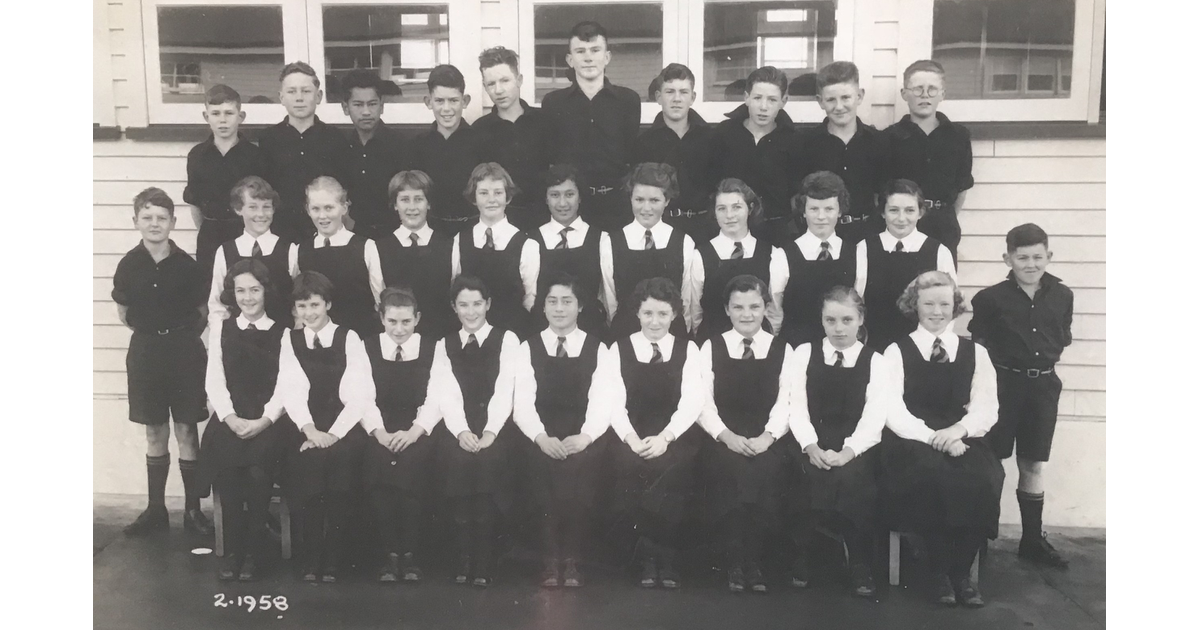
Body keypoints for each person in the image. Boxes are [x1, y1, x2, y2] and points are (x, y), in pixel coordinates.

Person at [881, 271, 1003, 608]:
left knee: (985, 477)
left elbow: (986, 406)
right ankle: (936, 572)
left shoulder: (975, 352)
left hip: (962, 435)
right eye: (928, 304)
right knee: (931, 477)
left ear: (955, 307)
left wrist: (957, 432)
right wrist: (935, 437)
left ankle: (961, 573)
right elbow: (892, 410)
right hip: (913, 439)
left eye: (945, 304)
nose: (937, 311)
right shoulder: (896, 351)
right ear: (914, 306)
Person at [968, 223, 1073, 569]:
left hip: (1042, 387)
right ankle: (980, 538)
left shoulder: (1062, 295)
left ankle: (1032, 539)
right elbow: (978, 348)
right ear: (1008, 258)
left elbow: (1062, 336)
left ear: (1049, 256)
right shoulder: (989, 298)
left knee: (1032, 462)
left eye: (1038, 257)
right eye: (1022, 257)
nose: (1031, 264)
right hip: (1003, 386)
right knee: (991, 459)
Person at [112, 187, 212, 537]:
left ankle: (192, 511)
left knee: (186, 428)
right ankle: (156, 509)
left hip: (184, 351)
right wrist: (154, 333)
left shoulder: (188, 265)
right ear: (136, 220)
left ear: (173, 221)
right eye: (147, 217)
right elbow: (125, 312)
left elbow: (202, 313)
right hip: (145, 353)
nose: (155, 224)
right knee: (154, 430)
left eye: (162, 218)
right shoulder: (128, 264)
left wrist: (175, 334)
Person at [786, 286, 888, 598]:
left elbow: (874, 417)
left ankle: (858, 560)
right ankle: (802, 556)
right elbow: (796, 406)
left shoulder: (877, 361)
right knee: (803, 476)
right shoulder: (803, 353)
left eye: (846, 320)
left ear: (860, 319)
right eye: (830, 320)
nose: (838, 328)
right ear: (821, 321)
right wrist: (810, 445)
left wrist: (848, 452)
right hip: (812, 439)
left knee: (855, 481)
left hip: (855, 445)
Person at [512, 272, 611, 588]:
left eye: (567, 301)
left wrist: (586, 436)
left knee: (579, 480)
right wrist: (541, 437)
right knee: (543, 482)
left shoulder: (598, 348)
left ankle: (572, 559)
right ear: (543, 307)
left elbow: (602, 400)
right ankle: (549, 560)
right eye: (552, 302)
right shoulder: (527, 347)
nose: (559, 308)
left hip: (581, 434)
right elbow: (523, 403)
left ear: (580, 306)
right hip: (540, 434)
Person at [696, 275, 793, 594]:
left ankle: (756, 560)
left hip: (767, 436)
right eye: (738, 307)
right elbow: (702, 402)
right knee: (731, 471)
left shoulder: (782, 349)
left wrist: (768, 437)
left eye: (754, 306)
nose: (747, 314)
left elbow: (787, 401)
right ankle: (735, 560)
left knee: (766, 471)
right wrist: (726, 436)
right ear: (727, 310)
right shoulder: (711, 346)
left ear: (766, 308)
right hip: (726, 435)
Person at [606, 277, 703, 589]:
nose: (655, 321)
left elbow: (692, 401)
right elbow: (613, 403)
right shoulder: (618, 349)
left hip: (673, 433)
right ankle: (647, 555)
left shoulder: (688, 349)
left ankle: (667, 555)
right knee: (633, 468)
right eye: (648, 313)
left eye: (663, 314)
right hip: (632, 433)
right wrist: (632, 439)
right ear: (637, 313)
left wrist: (666, 438)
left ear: (675, 314)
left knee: (671, 471)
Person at [278, 271, 373, 583]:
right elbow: (290, 390)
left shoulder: (349, 337)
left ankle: (334, 557)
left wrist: (332, 434)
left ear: (328, 304)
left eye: (315, 305)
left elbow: (359, 395)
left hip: (343, 426)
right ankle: (311, 556)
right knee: (307, 466)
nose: (309, 313)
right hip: (307, 426)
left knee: (339, 464)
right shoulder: (290, 339)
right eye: (302, 306)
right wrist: (310, 431)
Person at [199, 259, 289, 581]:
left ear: (266, 291)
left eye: (255, 289)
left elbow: (285, 385)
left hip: (269, 420)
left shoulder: (283, 331)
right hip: (230, 417)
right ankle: (234, 551)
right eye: (240, 290)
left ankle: (254, 552)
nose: (248, 297)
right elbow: (214, 380)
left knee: (257, 470)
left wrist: (264, 420)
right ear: (231, 293)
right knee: (228, 469)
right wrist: (229, 417)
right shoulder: (222, 328)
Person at [429, 275, 522, 587]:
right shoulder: (444, 344)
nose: (471, 312)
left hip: (496, 425)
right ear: (454, 308)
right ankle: (464, 557)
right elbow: (447, 393)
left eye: (477, 304)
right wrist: (461, 432)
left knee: (487, 465)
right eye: (464, 305)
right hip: (459, 426)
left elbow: (505, 388)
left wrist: (490, 432)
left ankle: (484, 558)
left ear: (488, 304)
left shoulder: (506, 339)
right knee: (458, 464)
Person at [361, 288, 443, 583]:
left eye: (406, 322)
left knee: (412, 472)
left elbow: (437, 397)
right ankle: (389, 554)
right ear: (381, 318)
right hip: (380, 427)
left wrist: (414, 432)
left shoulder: (434, 348)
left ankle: (410, 555)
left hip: (417, 427)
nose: (399, 329)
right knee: (380, 473)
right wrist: (379, 432)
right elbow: (362, 397)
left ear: (417, 318)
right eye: (392, 321)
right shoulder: (366, 346)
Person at [541, 21, 641, 234]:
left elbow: (631, 155)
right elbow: (552, 157)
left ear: (607, 57)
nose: (588, 57)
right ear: (570, 59)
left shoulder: (628, 100)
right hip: (571, 208)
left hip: (617, 206)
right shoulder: (553, 103)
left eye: (595, 50)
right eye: (580, 51)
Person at [885, 60, 974, 262]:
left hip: (942, 225)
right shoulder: (890, 138)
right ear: (904, 93)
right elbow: (881, 189)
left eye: (932, 89)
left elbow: (962, 186)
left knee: (939, 285)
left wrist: (944, 215)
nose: (925, 95)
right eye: (917, 89)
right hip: (902, 224)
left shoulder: (958, 136)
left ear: (943, 93)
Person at [855, 179, 956, 352]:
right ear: (883, 212)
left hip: (922, 348)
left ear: (920, 212)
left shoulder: (938, 251)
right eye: (894, 210)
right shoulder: (865, 248)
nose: (901, 219)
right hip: (876, 346)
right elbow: (855, 300)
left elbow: (950, 306)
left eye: (909, 210)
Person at [184, 84, 267, 290]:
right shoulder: (197, 156)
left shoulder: (254, 156)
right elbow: (195, 203)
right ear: (206, 117)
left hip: (245, 232)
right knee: (212, 289)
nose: (222, 120)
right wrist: (207, 229)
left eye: (229, 113)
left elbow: (262, 203)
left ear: (241, 116)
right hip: (210, 235)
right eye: (216, 113)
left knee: (246, 286)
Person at [796, 62, 887, 245]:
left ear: (859, 96)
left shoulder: (879, 142)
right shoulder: (805, 143)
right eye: (831, 100)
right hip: (820, 235)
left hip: (868, 232)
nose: (839, 107)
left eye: (846, 97)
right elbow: (798, 197)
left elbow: (882, 194)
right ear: (820, 101)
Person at [709, 66, 802, 247]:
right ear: (746, 98)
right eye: (757, 98)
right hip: (731, 230)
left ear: (784, 101)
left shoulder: (794, 140)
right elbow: (712, 181)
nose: (763, 107)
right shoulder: (725, 133)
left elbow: (795, 191)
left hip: (776, 232)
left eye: (772, 100)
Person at [685, 178, 787, 341]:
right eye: (722, 209)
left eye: (737, 207)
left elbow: (775, 311)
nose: (729, 215)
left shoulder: (772, 254)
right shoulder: (699, 256)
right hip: (714, 344)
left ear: (750, 209)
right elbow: (695, 311)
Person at [603, 163, 695, 340]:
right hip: (626, 334)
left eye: (654, 200)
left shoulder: (683, 242)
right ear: (631, 198)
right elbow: (610, 298)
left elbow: (686, 298)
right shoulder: (611, 243)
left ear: (667, 201)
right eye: (639, 200)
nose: (646, 208)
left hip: (671, 335)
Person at [259, 61, 349, 242]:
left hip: (325, 231)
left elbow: (344, 189)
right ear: (281, 97)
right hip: (280, 232)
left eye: (306, 91)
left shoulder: (335, 138)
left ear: (319, 96)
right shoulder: (269, 139)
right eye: (292, 91)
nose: (299, 98)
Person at [452, 162, 540, 341]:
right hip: (472, 333)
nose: (491, 199)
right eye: (483, 193)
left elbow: (530, 298)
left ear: (508, 197)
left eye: (498, 193)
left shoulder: (527, 244)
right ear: (474, 198)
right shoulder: (460, 240)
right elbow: (455, 289)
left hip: (512, 334)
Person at [474, 47, 555, 231]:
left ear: (519, 80)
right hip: (500, 222)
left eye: (505, 81)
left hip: (543, 220)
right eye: (491, 84)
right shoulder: (479, 130)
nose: (498, 90)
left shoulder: (545, 123)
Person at [635, 63, 718, 241]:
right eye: (670, 91)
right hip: (661, 228)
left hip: (704, 229)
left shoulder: (711, 139)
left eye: (683, 92)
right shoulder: (643, 142)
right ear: (658, 97)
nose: (677, 98)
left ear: (693, 97)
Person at [404, 64, 489, 235]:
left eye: (453, 100)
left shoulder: (481, 143)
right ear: (428, 102)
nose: (447, 109)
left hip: (471, 230)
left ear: (465, 101)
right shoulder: (417, 145)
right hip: (430, 231)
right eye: (439, 101)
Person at [296, 176, 385, 338]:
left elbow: (379, 297)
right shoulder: (300, 250)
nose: (322, 216)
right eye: (316, 209)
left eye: (329, 208)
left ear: (344, 208)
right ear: (308, 210)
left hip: (360, 335)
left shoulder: (365, 246)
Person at [531, 164, 613, 338]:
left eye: (569, 194)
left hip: (591, 333)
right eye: (555, 195)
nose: (562, 203)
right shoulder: (531, 240)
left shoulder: (602, 239)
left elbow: (608, 296)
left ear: (580, 197)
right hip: (544, 334)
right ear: (546, 198)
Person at [375, 170, 457, 340]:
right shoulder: (378, 248)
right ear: (395, 205)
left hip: (441, 336)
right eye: (405, 200)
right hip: (398, 338)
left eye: (418, 199)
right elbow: (379, 298)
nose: (412, 207)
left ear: (428, 204)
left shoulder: (450, 245)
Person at [207, 176, 298, 328]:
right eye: (253, 207)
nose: (261, 214)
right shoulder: (225, 251)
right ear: (238, 209)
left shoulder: (289, 250)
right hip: (238, 339)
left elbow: (297, 304)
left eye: (266, 207)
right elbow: (217, 307)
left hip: (280, 339)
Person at [780, 172, 857, 348]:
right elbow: (775, 308)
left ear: (840, 211)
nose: (821, 217)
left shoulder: (856, 253)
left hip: (841, 344)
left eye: (829, 209)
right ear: (804, 212)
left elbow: (858, 303)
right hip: (796, 345)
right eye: (814, 209)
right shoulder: (783, 254)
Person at [340, 69, 405, 240]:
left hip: (393, 239)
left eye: (372, 104)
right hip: (351, 239)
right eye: (358, 105)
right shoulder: (341, 148)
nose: (366, 112)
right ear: (345, 108)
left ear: (382, 106)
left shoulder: (401, 146)